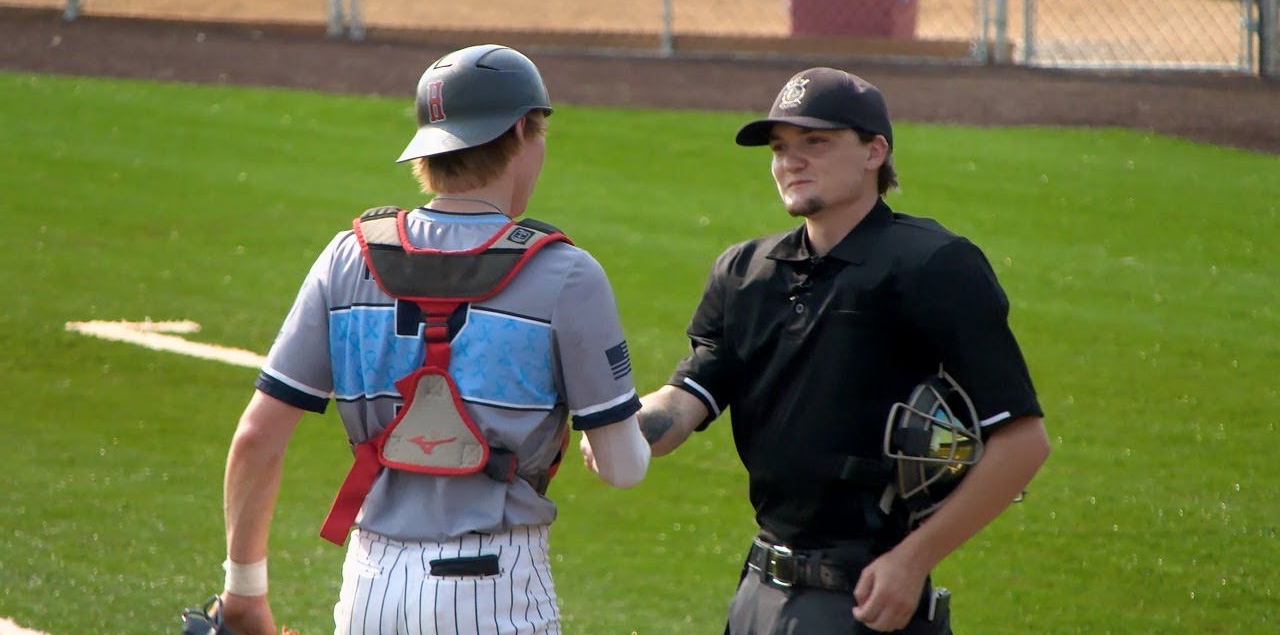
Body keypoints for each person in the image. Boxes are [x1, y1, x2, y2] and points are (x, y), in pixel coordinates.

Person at [583, 67, 1050, 634]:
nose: (790, 162)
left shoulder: (932, 265)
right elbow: (689, 396)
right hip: (757, 590)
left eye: (816, 143)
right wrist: (623, 425)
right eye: (780, 148)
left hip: (864, 597)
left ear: (875, 151)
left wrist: (914, 559)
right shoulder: (744, 272)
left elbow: (1022, 441)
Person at [220, 44, 650, 635]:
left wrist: (244, 589)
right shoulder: (567, 275)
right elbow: (623, 467)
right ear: (523, 130)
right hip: (496, 593)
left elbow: (256, 436)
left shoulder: (348, 258)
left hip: (369, 589)